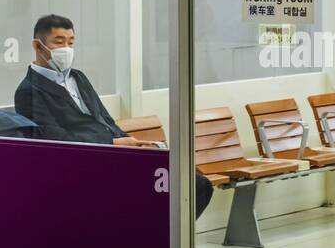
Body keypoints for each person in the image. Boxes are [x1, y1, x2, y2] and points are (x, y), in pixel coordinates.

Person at [15, 14, 213, 218]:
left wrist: (134, 144)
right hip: (90, 165)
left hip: (118, 154)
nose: (67, 49)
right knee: (190, 185)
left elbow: (104, 119)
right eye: (59, 42)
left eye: (71, 42)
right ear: (38, 47)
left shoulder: (78, 77)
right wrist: (112, 143)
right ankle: (159, 242)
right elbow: (56, 140)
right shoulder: (29, 91)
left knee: (196, 182)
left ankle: (161, 242)